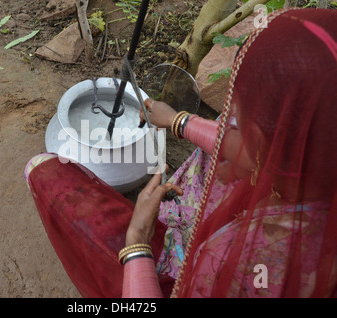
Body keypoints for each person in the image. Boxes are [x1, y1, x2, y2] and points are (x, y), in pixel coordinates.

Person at [24, 8, 337, 298]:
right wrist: (178, 120)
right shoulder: (317, 158)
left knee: (43, 169)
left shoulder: (233, 260)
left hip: (173, 275)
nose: (230, 120)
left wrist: (137, 242)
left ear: (262, 140)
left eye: (240, 115)